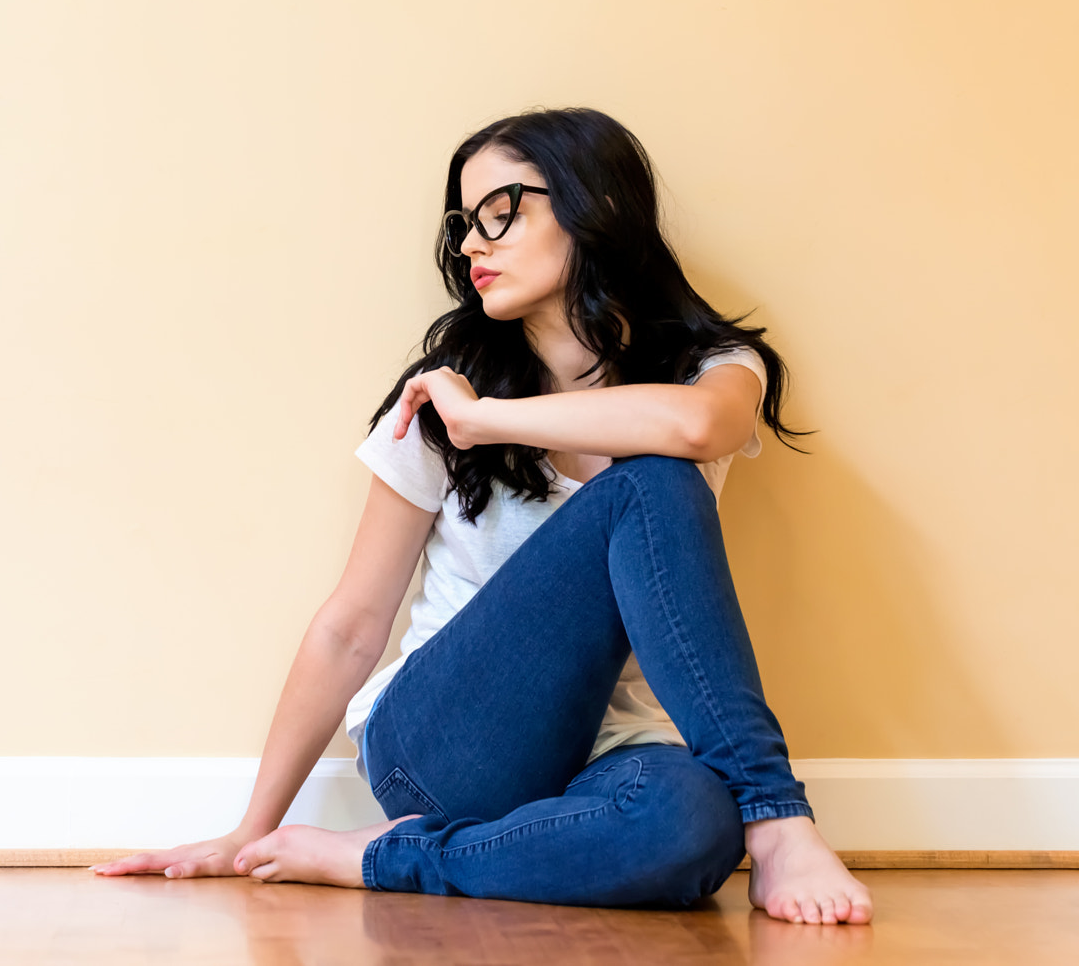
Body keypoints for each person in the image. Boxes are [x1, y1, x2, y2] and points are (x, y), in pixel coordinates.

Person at [94, 108, 874, 925]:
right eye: (464, 223)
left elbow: (695, 426)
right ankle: (778, 817)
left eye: (502, 211)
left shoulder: (704, 372)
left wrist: (492, 422)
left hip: (610, 750)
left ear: (593, 204)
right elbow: (351, 625)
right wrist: (248, 830)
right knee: (654, 486)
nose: (473, 243)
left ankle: (383, 855)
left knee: (691, 826)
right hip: (445, 744)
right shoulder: (445, 391)